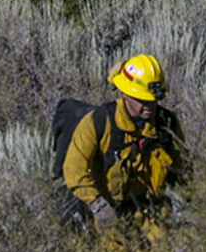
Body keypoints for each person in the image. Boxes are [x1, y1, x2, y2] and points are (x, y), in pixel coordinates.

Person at [63, 53, 184, 231]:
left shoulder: (166, 123)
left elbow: (182, 168)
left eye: (153, 101)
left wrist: (183, 200)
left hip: (151, 211)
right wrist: (98, 206)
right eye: (142, 100)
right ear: (124, 94)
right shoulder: (98, 123)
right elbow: (74, 171)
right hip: (109, 212)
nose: (149, 106)